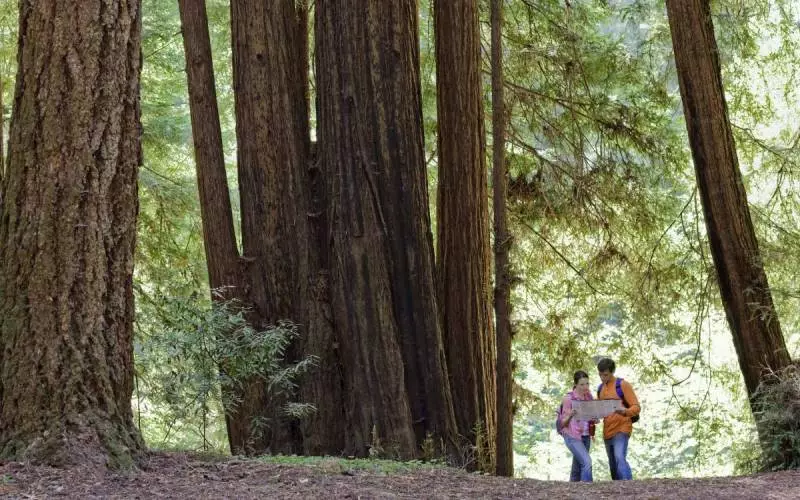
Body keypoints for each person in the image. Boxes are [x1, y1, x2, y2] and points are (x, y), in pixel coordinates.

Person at [596, 357, 640, 480]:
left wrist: (624, 411)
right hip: (607, 431)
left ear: (612, 372)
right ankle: (618, 492)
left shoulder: (623, 385)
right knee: (613, 466)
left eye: (605, 375)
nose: (602, 378)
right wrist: (594, 416)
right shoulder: (600, 389)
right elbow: (600, 410)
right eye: (600, 375)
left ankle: (628, 487)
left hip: (622, 428)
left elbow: (636, 407)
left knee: (619, 457)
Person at [558, 370, 595, 482]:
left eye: (587, 383)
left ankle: (572, 489)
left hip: (586, 435)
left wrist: (595, 417)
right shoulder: (568, 399)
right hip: (572, 436)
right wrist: (570, 415)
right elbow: (562, 424)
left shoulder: (589, 397)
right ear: (575, 385)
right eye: (582, 384)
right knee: (587, 462)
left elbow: (591, 416)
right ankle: (587, 490)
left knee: (578, 465)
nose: (585, 387)